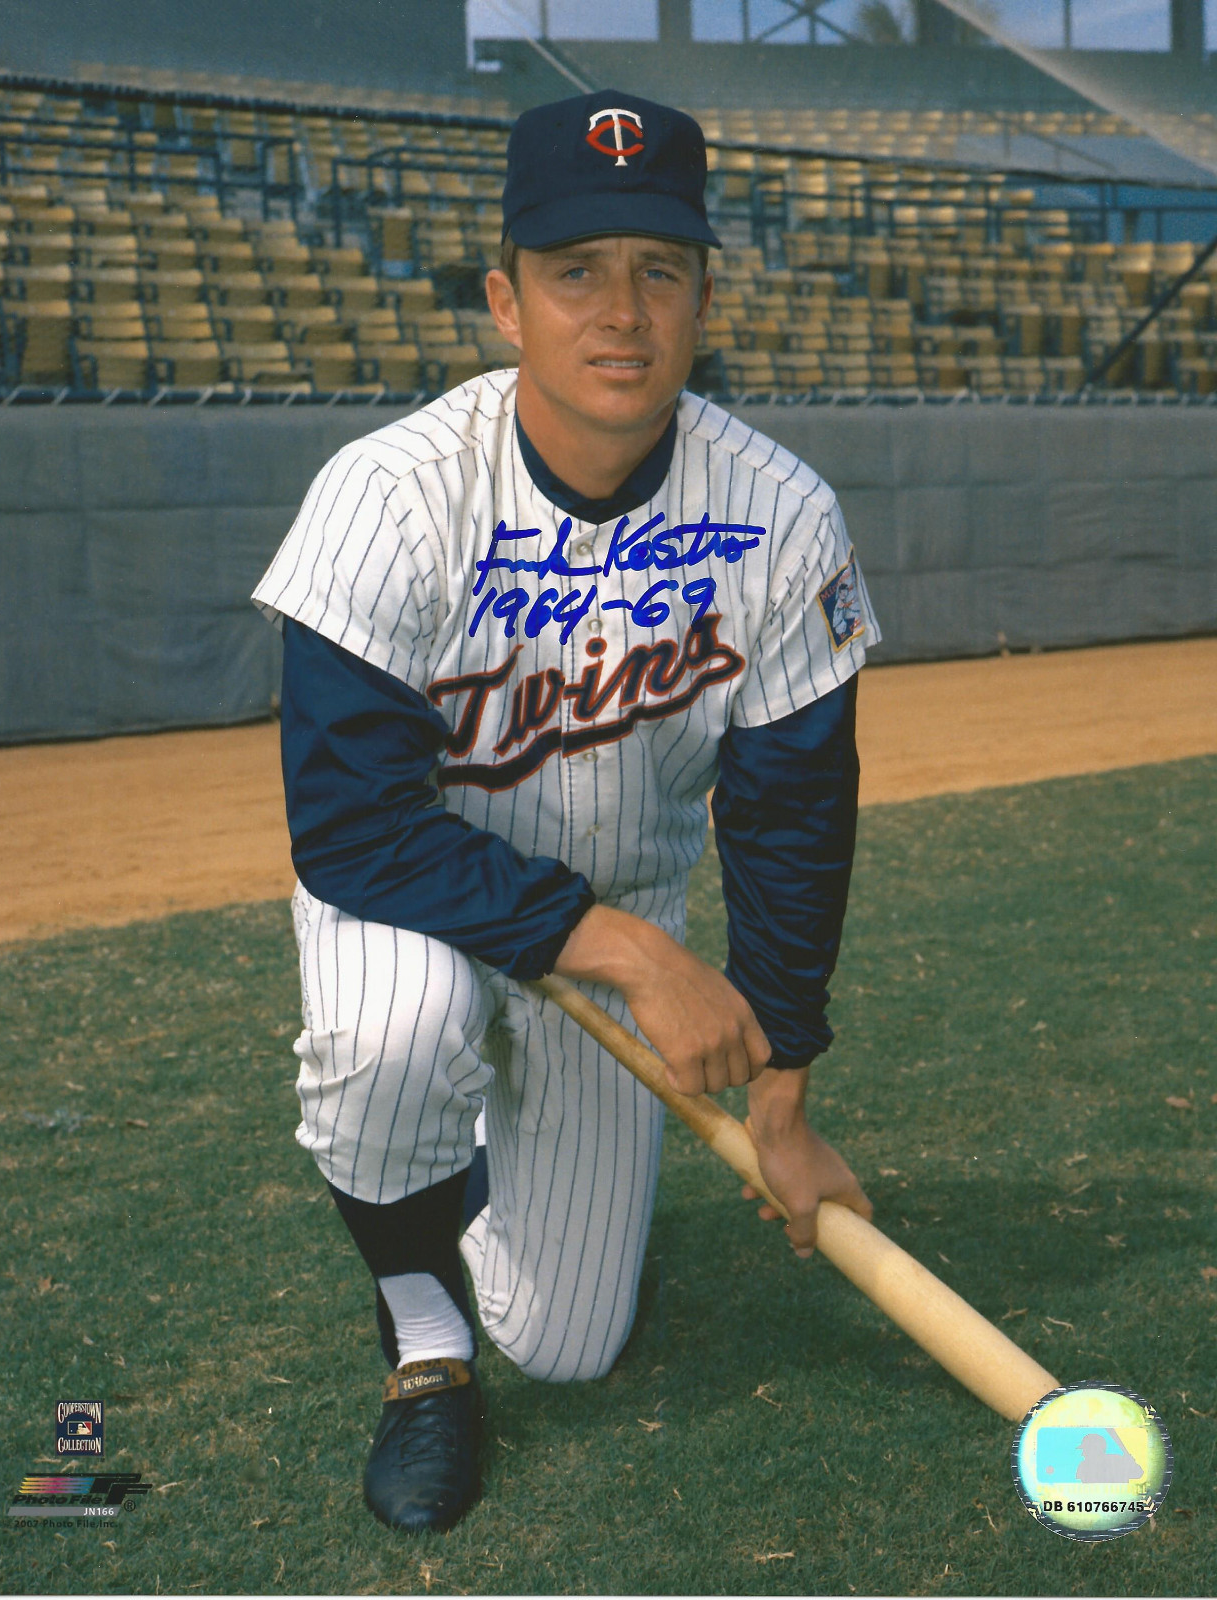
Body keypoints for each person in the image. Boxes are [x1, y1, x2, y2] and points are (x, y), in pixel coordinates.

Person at [252, 88, 876, 1535]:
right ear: (505, 301)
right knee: (389, 1042)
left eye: (660, 270)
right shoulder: (393, 495)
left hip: (617, 922)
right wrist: (626, 952)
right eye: (575, 271)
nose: (622, 313)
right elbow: (347, 828)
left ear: (706, 295)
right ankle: (423, 1339)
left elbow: (792, 815)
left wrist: (781, 1089)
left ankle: (458, 1179)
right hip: (410, 899)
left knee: (575, 1345)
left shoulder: (779, 514)